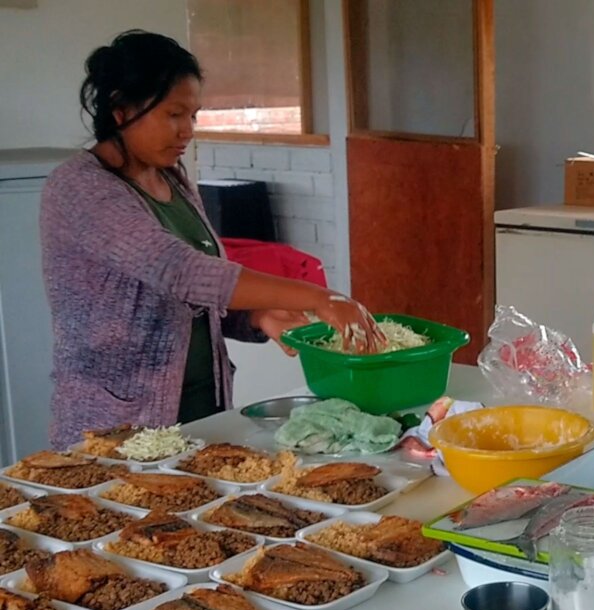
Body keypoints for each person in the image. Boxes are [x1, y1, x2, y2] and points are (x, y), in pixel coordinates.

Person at [40, 30, 386, 448]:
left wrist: (256, 316)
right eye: (173, 115)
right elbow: (180, 272)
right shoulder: (80, 188)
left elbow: (195, 300)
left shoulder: (172, 178)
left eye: (194, 116)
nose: (187, 130)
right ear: (121, 109)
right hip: (117, 428)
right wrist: (319, 297)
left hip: (201, 415)